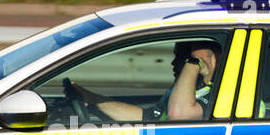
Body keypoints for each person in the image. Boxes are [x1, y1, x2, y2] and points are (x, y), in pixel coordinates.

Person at [69, 40, 220, 123]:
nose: (174, 63)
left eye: (182, 58)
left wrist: (195, 59)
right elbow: (149, 118)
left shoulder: (218, 93)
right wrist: (93, 99)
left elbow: (179, 115)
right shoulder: (187, 91)